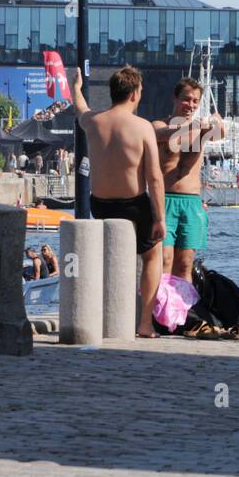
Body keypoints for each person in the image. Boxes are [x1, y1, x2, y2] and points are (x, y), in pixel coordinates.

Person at [73, 65, 166, 338]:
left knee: (105, 258)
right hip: (133, 204)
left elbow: (80, 109)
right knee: (152, 256)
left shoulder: (93, 122)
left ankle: (102, 316)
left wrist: (76, 88)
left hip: (99, 203)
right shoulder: (142, 127)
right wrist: (159, 218)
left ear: (112, 93)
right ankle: (145, 323)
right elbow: (155, 177)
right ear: (135, 94)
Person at [152, 76, 225, 282]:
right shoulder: (160, 124)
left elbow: (221, 131)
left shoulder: (201, 129)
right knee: (164, 259)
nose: (190, 105)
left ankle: (184, 312)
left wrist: (215, 120)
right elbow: (162, 134)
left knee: (185, 263)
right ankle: (160, 312)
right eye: (186, 99)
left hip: (191, 202)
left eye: (195, 101)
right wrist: (194, 126)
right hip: (164, 200)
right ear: (175, 99)